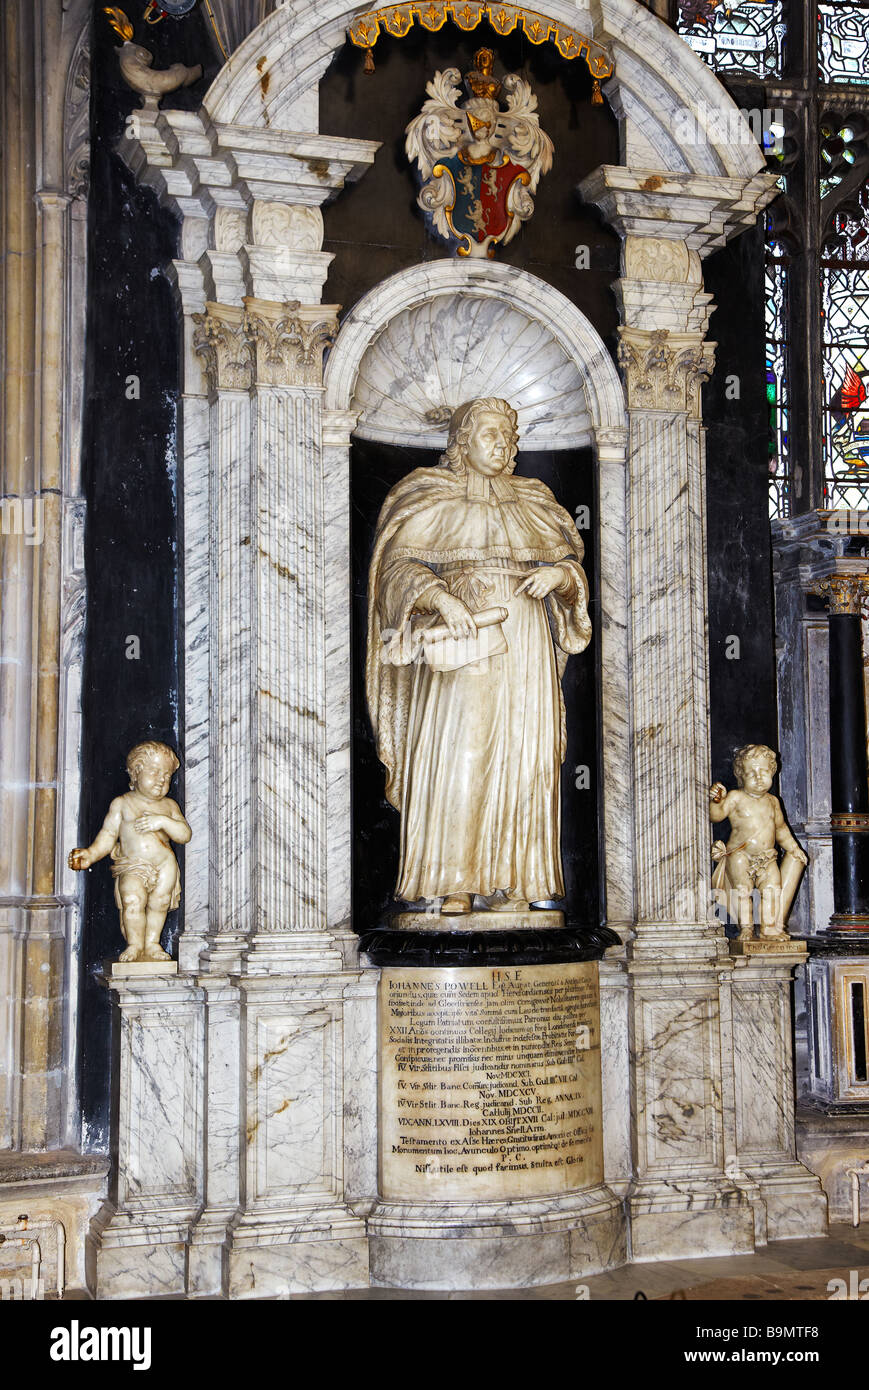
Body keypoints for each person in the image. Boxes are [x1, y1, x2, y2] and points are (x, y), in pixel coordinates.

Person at [366, 397, 591, 916]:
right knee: (460, 753)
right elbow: (392, 574)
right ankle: (454, 879)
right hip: (460, 641)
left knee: (525, 752)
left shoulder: (535, 499)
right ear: (462, 442)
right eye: (491, 434)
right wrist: (438, 596)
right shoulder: (425, 494)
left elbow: (571, 570)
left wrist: (561, 575)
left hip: (526, 639)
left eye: (509, 437)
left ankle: (515, 879)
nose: (504, 445)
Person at [68, 740, 191, 962]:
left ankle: (152, 944)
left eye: (167, 775)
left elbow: (184, 834)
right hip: (133, 865)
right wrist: (90, 854)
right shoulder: (122, 804)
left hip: (164, 864)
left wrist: (162, 821)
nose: (162, 779)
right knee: (133, 900)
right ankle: (134, 945)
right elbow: (107, 836)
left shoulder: (169, 807)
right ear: (135, 773)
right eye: (154, 772)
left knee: (160, 903)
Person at [709, 743, 807, 939]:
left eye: (764, 771)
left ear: (772, 772)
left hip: (767, 857)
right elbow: (716, 816)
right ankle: (745, 927)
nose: (758, 777)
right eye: (751, 773)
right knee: (743, 891)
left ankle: (768, 928)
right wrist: (716, 801)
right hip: (740, 854)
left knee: (772, 890)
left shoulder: (772, 801)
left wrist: (794, 849)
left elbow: (781, 830)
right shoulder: (736, 797)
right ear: (741, 776)